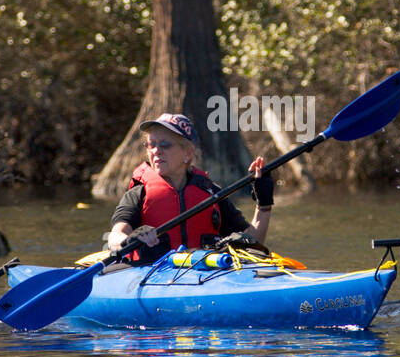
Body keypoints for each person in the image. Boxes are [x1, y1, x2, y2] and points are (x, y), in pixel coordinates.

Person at [106, 113, 274, 263]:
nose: (156, 151)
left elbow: (253, 242)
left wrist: (263, 205)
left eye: (165, 144)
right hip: (152, 275)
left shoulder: (211, 194)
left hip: (203, 274)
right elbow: (115, 236)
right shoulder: (139, 193)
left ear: (188, 153)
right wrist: (129, 240)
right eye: (151, 144)